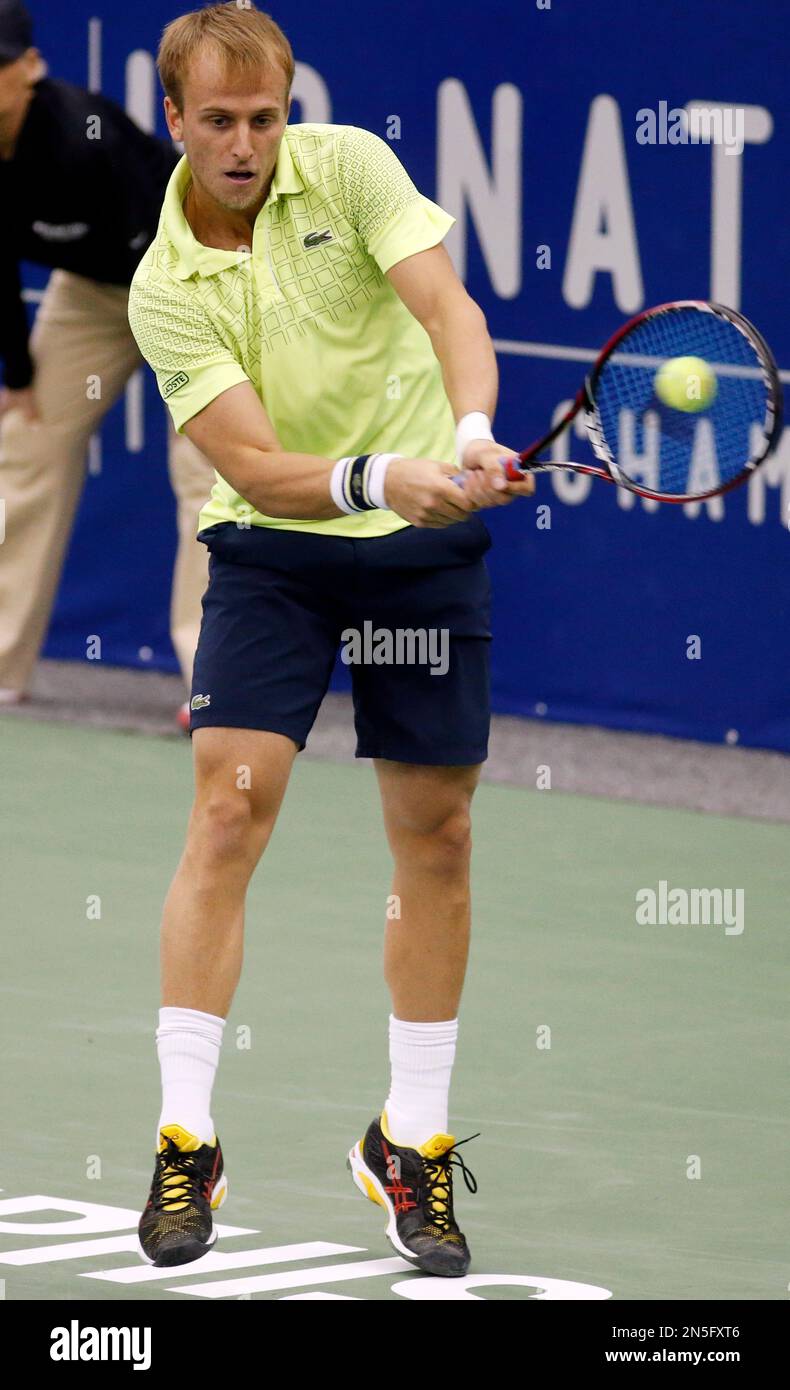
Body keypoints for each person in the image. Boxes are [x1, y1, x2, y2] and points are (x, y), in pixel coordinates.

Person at [129, 1, 534, 1278]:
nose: (246, 143)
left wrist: (468, 432)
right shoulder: (162, 287)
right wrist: (380, 476)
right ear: (175, 119)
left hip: (421, 548)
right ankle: (185, 1133)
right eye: (220, 122)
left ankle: (407, 1140)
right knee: (227, 812)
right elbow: (251, 460)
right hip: (279, 553)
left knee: (439, 832)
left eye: (264, 116)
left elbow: (448, 308)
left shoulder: (350, 166)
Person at [0, 0, 216, 724]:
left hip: (186, 277)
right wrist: (21, 378)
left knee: (207, 472)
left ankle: (213, 685)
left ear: (30, 68)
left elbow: (175, 238)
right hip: (92, 294)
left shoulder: (82, 137)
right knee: (25, 443)